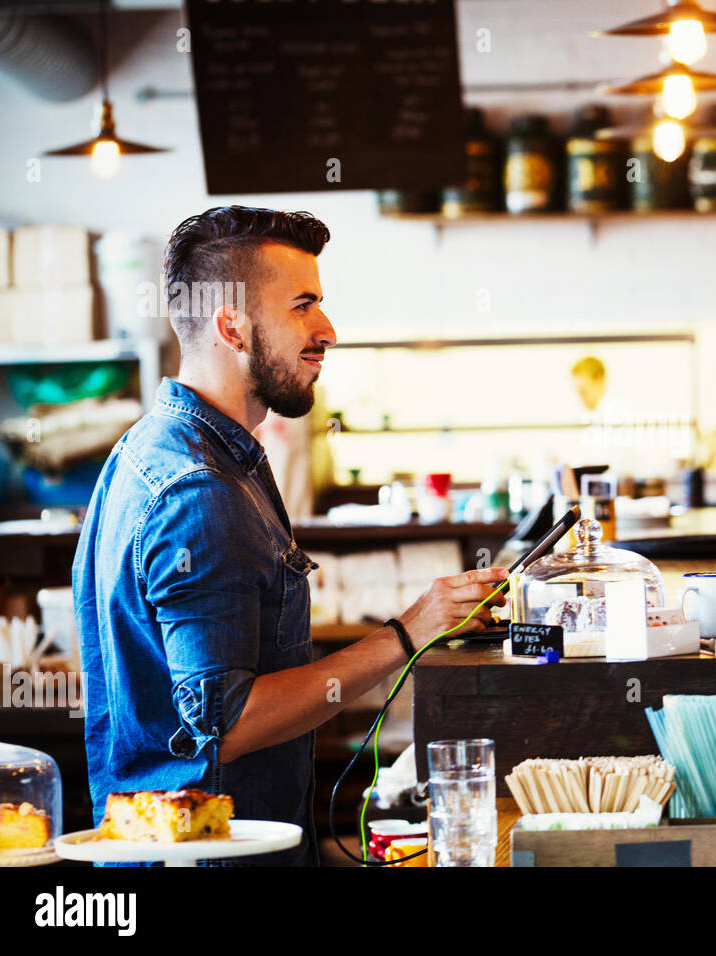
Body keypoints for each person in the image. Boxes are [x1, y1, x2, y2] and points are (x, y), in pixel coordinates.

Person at [72, 206, 508, 865]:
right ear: (232, 326)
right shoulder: (199, 491)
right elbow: (228, 725)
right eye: (303, 306)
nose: (327, 330)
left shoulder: (151, 450)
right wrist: (410, 631)